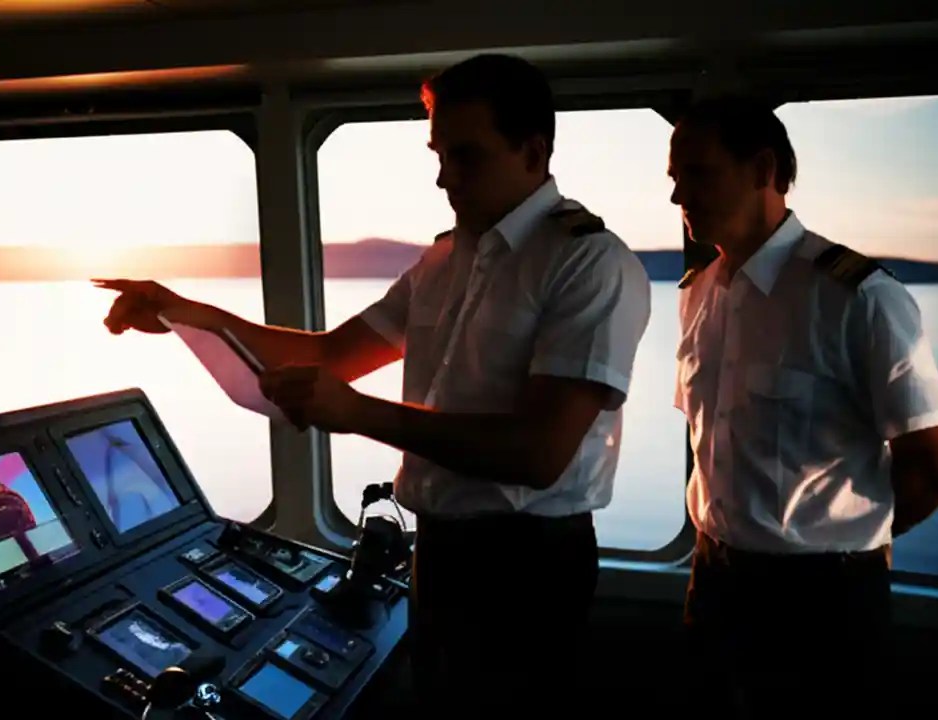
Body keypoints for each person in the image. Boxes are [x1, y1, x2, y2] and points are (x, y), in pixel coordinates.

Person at [95, 53, 651, 712]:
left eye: (466, 157)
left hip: (525, 568)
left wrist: (358, 414)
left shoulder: (587, 263)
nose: (445, 179)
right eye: (438, 155)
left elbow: (537, 452)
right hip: (439, 549)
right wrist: (185, 312)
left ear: (533, 152)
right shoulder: (446, 261)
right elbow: (333, 354)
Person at [668, 95, 938, 718]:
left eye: (698, 173)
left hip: (821, 598)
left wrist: (843, 541)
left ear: (763, 170)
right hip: (712, 577)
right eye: (674, 178)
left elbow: (935, 466)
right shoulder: (698, 296)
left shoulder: (859, 299)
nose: (677, 197)